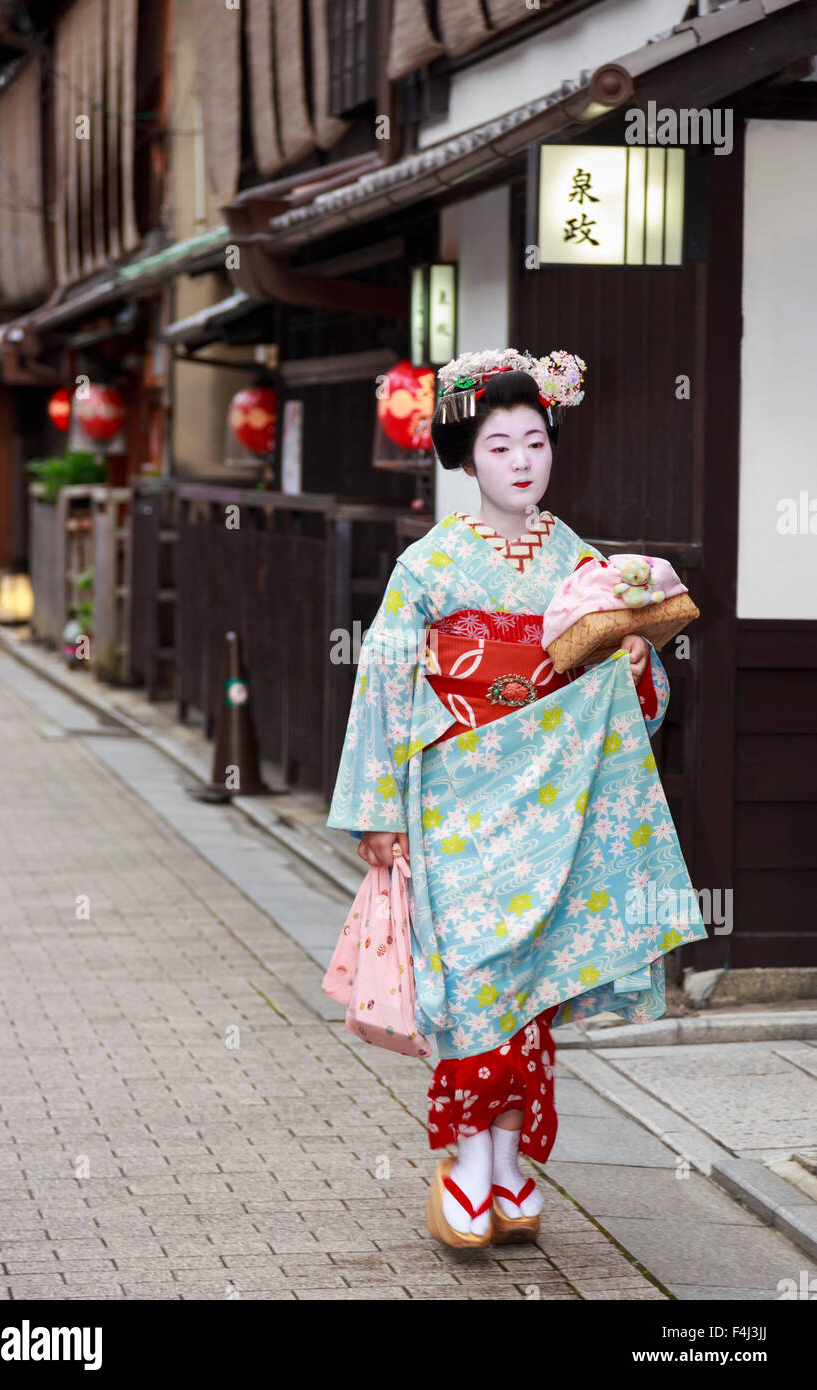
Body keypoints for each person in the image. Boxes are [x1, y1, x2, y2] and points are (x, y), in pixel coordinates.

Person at [326, 348, 707, 1249]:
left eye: (536, 441)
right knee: (470, 979)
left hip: (556, 795)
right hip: (456, 790)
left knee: (528, 985)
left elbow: (627, 687)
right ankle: (466, 1159)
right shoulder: (429, 565)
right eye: (499, 446)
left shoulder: (579, 559)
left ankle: (508, 1159)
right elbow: (383, 677)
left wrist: (635, 668)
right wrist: (378, 806)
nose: (523, 461)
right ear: (466, 456)